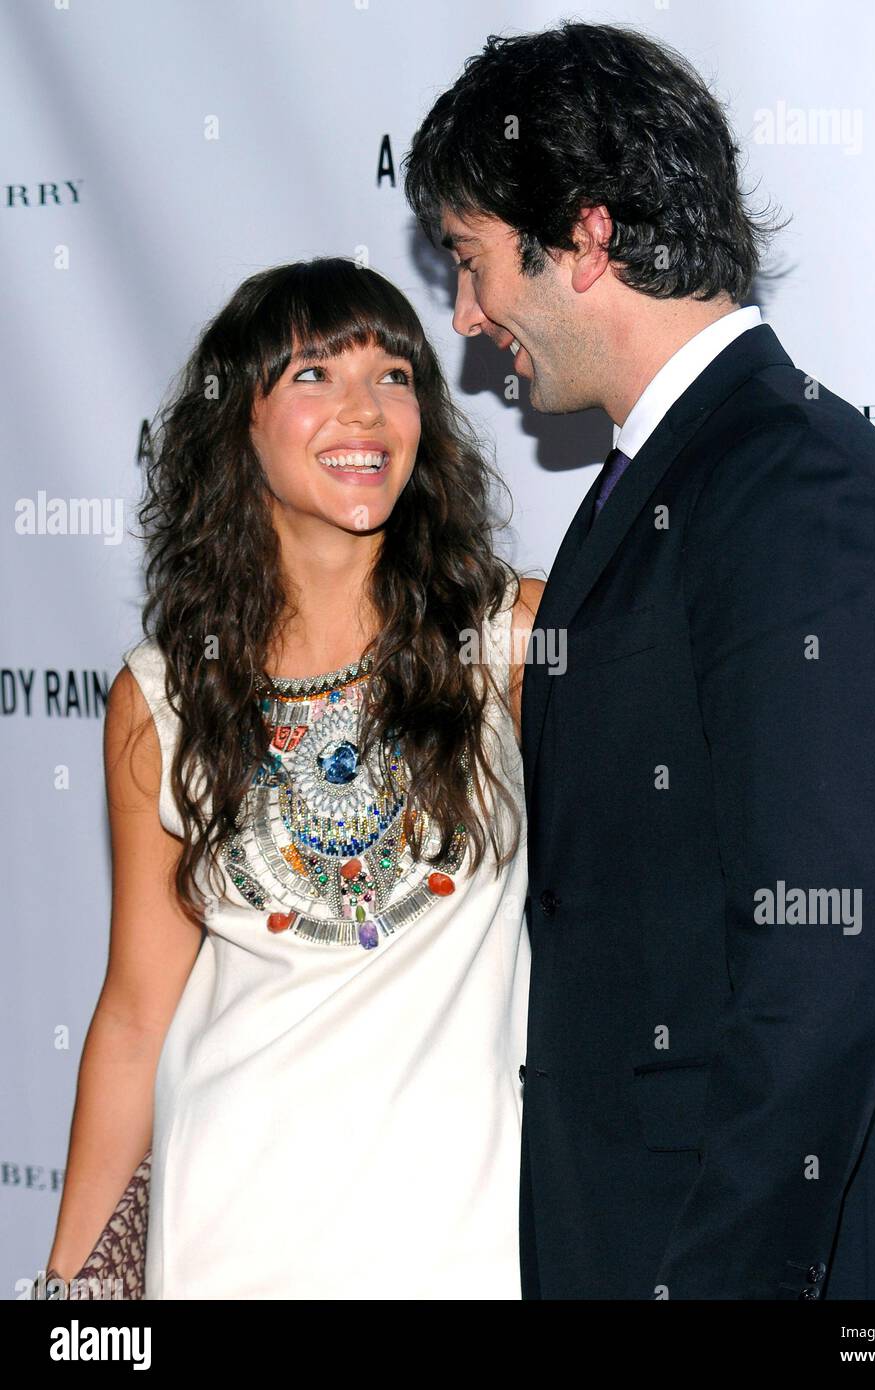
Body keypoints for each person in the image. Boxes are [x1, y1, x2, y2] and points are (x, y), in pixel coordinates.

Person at [404, 20, 875, 1299]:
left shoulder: (795, 479)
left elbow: (822, 953)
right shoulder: (655, 479)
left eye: (471, 260)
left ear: (584, 238)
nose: (466, 316)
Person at [45, 257, 543, 1299]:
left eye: (393, 375)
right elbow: (135, 1016)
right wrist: (68, 1298)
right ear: (240, 423)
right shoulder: (164, 692)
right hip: (227, 1244)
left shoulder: (510, 642)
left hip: (462, 1251)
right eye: (314, 373)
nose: (364, 409)